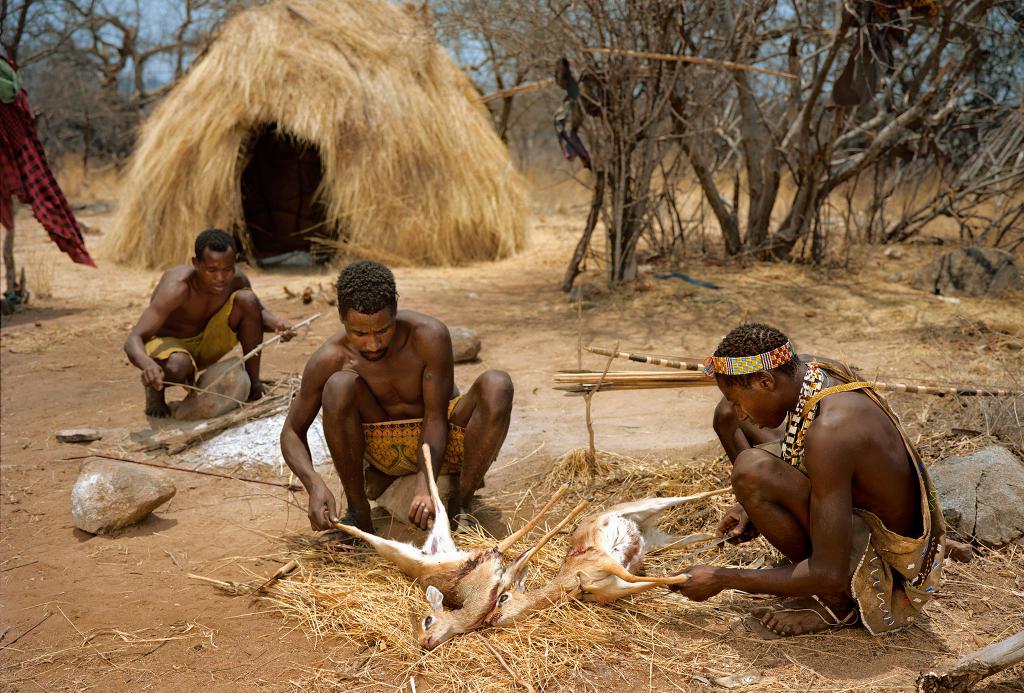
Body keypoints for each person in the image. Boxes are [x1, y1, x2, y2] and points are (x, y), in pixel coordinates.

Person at [673, 323, 946, 637]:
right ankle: (773, 522)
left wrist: (722, 577)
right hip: (849, 500)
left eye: (740, 399)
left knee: (751, 471)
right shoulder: (813, 371)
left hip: (888, 569)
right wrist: (750, 505)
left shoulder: (831, 433)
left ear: (765, 381)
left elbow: (827, 573)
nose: (741, 412)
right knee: (727, 418)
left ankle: (837, 605)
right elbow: (748, 418)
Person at [280, 260, 513, 534]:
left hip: (442, 438)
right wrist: (314, 484)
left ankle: (460, 506)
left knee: (497, 384)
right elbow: (292, 432)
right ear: (342, 318)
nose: (373, 344)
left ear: (395, 312)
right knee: (338, 386)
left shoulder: (428, 336)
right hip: (383, 450)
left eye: (383, 330)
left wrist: (426, 481)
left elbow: (436, 416)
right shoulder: (330, 358)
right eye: (359, 333)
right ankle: (358, 514)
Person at [124, 229, 295, 417]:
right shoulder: (178, 287)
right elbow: (134, 338)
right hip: (169, 346)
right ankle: (156, 389)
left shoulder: (237, 280)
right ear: (196, 263)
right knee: (177, 367)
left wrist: (277, 325)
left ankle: (254, 384)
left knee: (248, 299)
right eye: (211, 270)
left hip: (207, 342)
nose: (220, 277)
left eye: (227, 269)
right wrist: (147, 365)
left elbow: (256, 314)